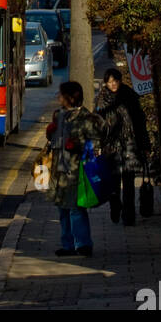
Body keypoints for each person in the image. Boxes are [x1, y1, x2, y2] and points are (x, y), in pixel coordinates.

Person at [45, 81, 102, 257]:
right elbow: (53, 141)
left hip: (77, 169)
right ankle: (68, 244)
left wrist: (78, 144)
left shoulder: (86, 118)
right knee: (62, 210)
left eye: (61, 94)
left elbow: (96, 144)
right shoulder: (58, 115)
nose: (59, 97)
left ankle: (83, 244)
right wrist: (51, 132)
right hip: (60, 169)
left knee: (76, 209)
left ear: (71, 97)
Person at [96, 68, 150, 225]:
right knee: (113, 182)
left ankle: (129, 215)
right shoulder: (102, 100)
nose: (113, 85)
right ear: (106, 83)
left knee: (129, 182)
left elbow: (140, 122)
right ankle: (115, 205)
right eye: (110, 82)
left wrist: (145, 145)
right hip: (111, 147)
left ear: (120, 81)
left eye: (115, 81)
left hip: (129, 145)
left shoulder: (130, 96)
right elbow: (98, 126)